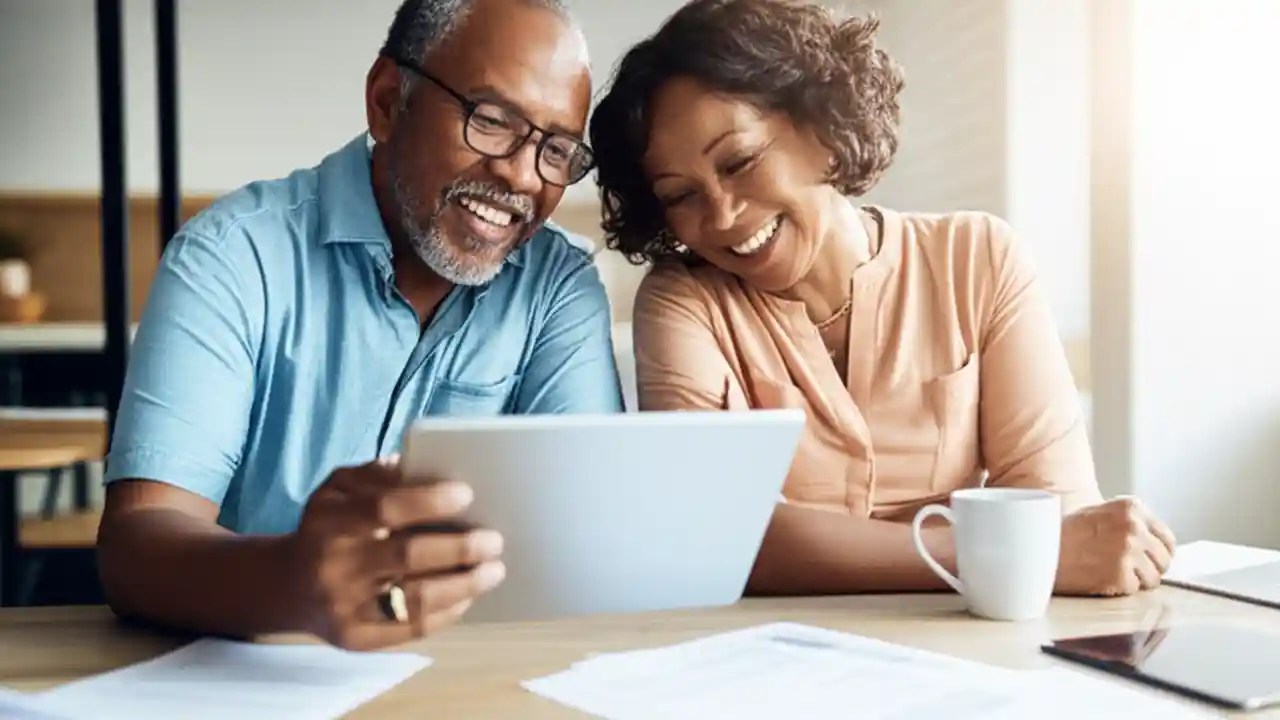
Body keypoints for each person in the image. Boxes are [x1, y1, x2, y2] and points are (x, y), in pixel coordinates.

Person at [589, 0, 1176, 598]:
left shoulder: (978, 258)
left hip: (973, 648)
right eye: (681, 195)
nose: (722, 215)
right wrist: (993, 551)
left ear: (821, 127)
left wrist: (1041, 550)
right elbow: (712, 532)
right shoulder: (682, 302)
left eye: (739, 162)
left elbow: (1061, 513)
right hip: (768, 659)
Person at [96, 0, 622, 651]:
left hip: (475, 678)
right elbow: (136, 545)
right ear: (387, 101)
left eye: (557, 149)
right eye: (491, 121)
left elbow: (586, 537)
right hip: (248, 680)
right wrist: (288, 583)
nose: (520, 174)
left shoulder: (557, 286)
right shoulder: (235, 256)